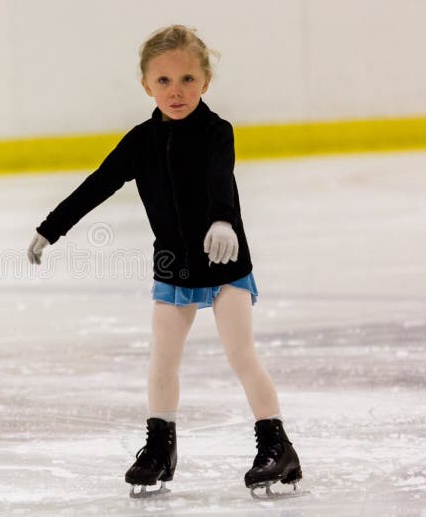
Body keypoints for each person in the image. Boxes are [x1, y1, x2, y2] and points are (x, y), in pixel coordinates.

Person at [27, 25, 302, 499]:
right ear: (146, 86)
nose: (176, 92)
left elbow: (220, 179)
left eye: (188, 80)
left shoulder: (217, 132)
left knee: (241, 355)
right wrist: (51, 227)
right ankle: (160, 450)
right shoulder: (141, 141)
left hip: (224, 260)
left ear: (206, 81)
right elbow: (99, 184)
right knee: (163, 361)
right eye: (164, 82)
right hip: (173, 264)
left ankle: (277, 448)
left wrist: (222, 222)